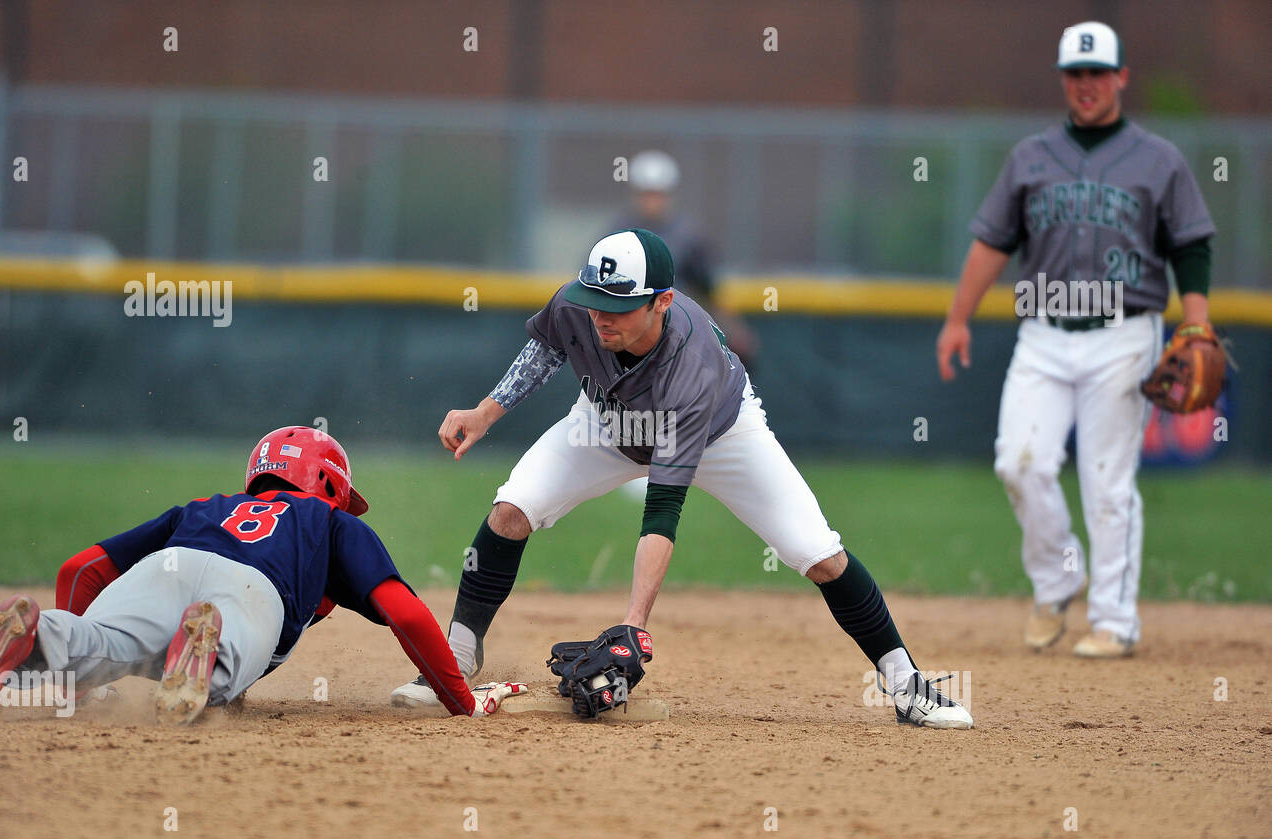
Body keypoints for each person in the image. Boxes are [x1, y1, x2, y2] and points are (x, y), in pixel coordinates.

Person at [391, 228, 973, 729]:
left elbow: (662, 514)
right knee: (511, 510)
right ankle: (457, 657)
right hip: (606, 421)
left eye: (617, 307)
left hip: (723, 432)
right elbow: (546, 348)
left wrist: (633, 628)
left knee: (816, 552)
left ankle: (905, 685)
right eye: (594, 301)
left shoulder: (689, 371)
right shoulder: (581, 305)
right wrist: (483, 413)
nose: (599, 316)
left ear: (663, 301)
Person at [936, 22, 1216, 658]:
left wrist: (1195, 323)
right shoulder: (1031, 157)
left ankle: (1115, 621)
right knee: (1019, 462)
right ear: (1064, 79)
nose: (1086, 85)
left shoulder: (1160, 159)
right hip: (1043, 332)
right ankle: (1058, 580)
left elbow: (1192, 245)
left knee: (1107, 479)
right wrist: (958, 318)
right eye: (1075, 74)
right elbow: (991, 243)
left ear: (1120, 77)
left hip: (1123, 333)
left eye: (1098, 73)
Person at [0, 426, 524, 723]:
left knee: (100, 645)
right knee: (216, 679)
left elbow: (81, 567)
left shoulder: (204, 507)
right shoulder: (328, 520)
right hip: (252, 591)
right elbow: (404, 611)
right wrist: (462, 700)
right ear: (329, 486)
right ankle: (208, 654)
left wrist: (83, 685)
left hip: (169, 565)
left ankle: (42, 633)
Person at [608, 150, 758, 371]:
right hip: (628, 335)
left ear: (669, 195)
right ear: (636, 194)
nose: (652, 201)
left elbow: (708, 290)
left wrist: (734, 329)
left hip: (676, 333)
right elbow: (596, 290)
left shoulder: (688, 236)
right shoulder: (617, 236)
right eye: (647, 193)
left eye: (658, 193)